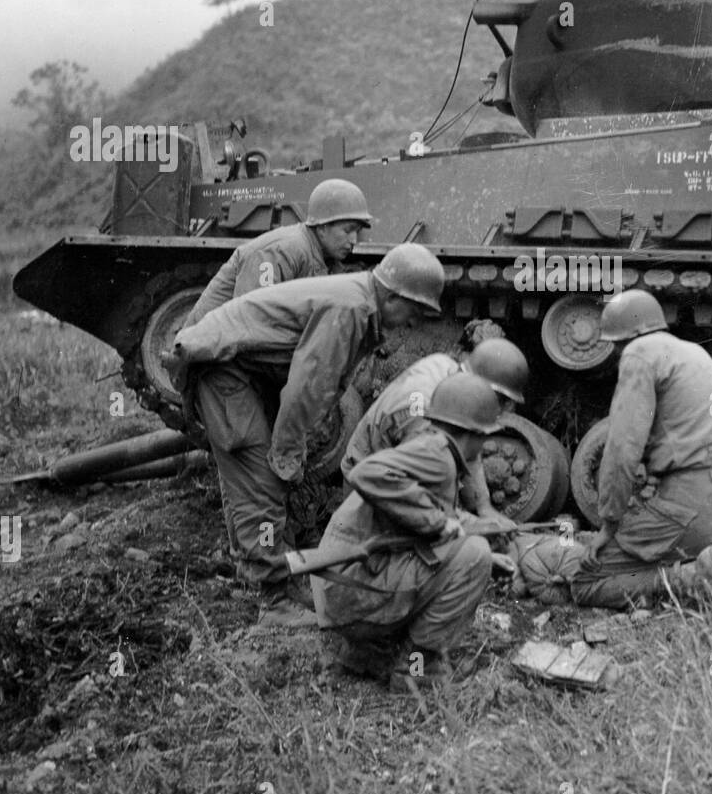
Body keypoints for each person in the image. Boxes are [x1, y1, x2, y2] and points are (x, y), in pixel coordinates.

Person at [166, 242, 445, 628]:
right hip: (222, 372)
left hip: (239, 370)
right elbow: (308, 387)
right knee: (261, 483)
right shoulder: (350, 309)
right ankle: (274, 603)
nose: (414, 322)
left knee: (255, 480)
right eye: (416, 309)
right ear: (394, 296)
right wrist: (287, 452)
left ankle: (273, 572)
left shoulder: (359, 302)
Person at [313, 374, 504, 691]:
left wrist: (459, 528)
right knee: (475, 555)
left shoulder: (431, 447)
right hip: (351, 592)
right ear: (473, 433)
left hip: (340, 587)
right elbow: (366, 472)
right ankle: (416, 671)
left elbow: (419, 517)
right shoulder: (438, 456)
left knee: (477, 553)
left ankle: (366, 651)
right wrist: (440, 525)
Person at [571, 288, 712, 609]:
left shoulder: (639, 353)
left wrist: (609, 524)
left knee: (586, 582)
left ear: (622, 337)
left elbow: (621, 449)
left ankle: (695, 576)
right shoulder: (694, 352)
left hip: (692, 507)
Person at [342, 335, 529, 523]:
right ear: (481, 385)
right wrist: (465, 523)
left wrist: (483, 507)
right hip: (372, 490)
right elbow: (418, 491)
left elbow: (468, 446)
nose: (501, 407)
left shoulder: (452, 372)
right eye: (500, 399)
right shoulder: (419, 411)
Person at [183, 178, 373, 327]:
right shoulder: (281, 250)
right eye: (348, 230)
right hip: (214, 359)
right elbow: (252, 319)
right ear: (322, 227)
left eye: (357, 232)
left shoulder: (322, 256)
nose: (354, 240)